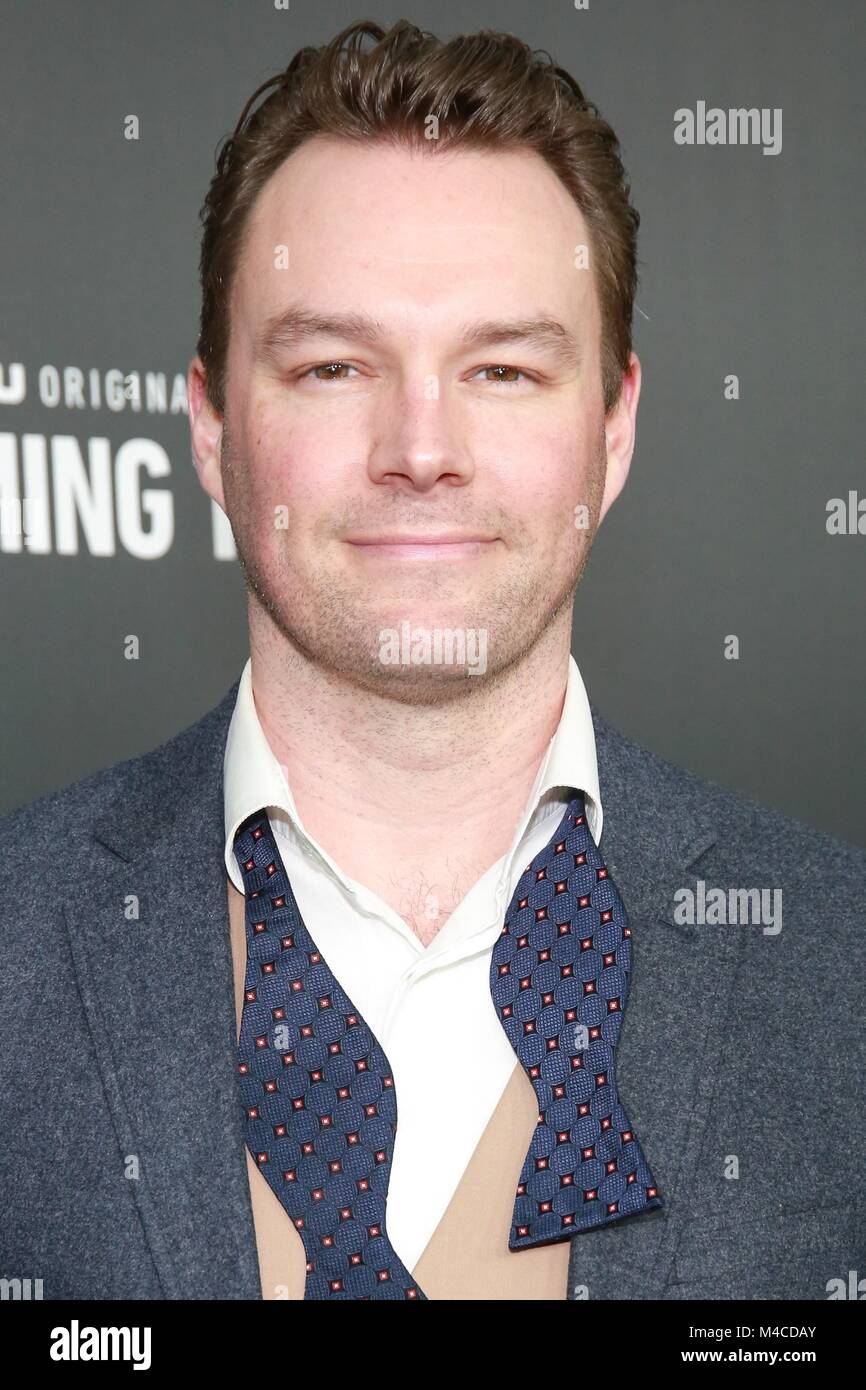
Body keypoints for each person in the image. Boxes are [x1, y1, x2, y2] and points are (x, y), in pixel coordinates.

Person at [1, 18, 862, 1302]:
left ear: (613, 432)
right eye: (334, 364)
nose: (420, 446)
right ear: (209, 429)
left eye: (503, 369)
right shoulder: (21, 935)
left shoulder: (836, 967)